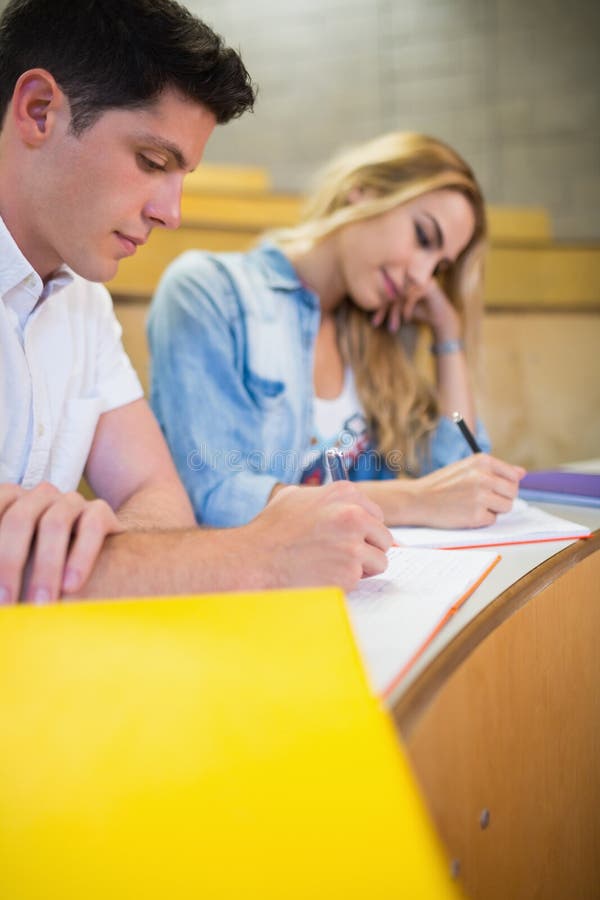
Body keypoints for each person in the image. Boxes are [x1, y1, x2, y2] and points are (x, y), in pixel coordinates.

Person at [0, 0, 392, 606]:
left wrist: (97, 559)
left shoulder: (85, 303)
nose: (172, 213)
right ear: (38, 110)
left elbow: (160, 496)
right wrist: (262, 554)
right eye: (152, 162)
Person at [148, 132, 525, 529]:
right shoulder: (210, 292)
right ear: (362, 191)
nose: (421, 275)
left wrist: (448, 340)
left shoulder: (381, 332)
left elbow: (461, 474)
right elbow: (216, 495)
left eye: (439, 267)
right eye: (423, 237)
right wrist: (412, 499)